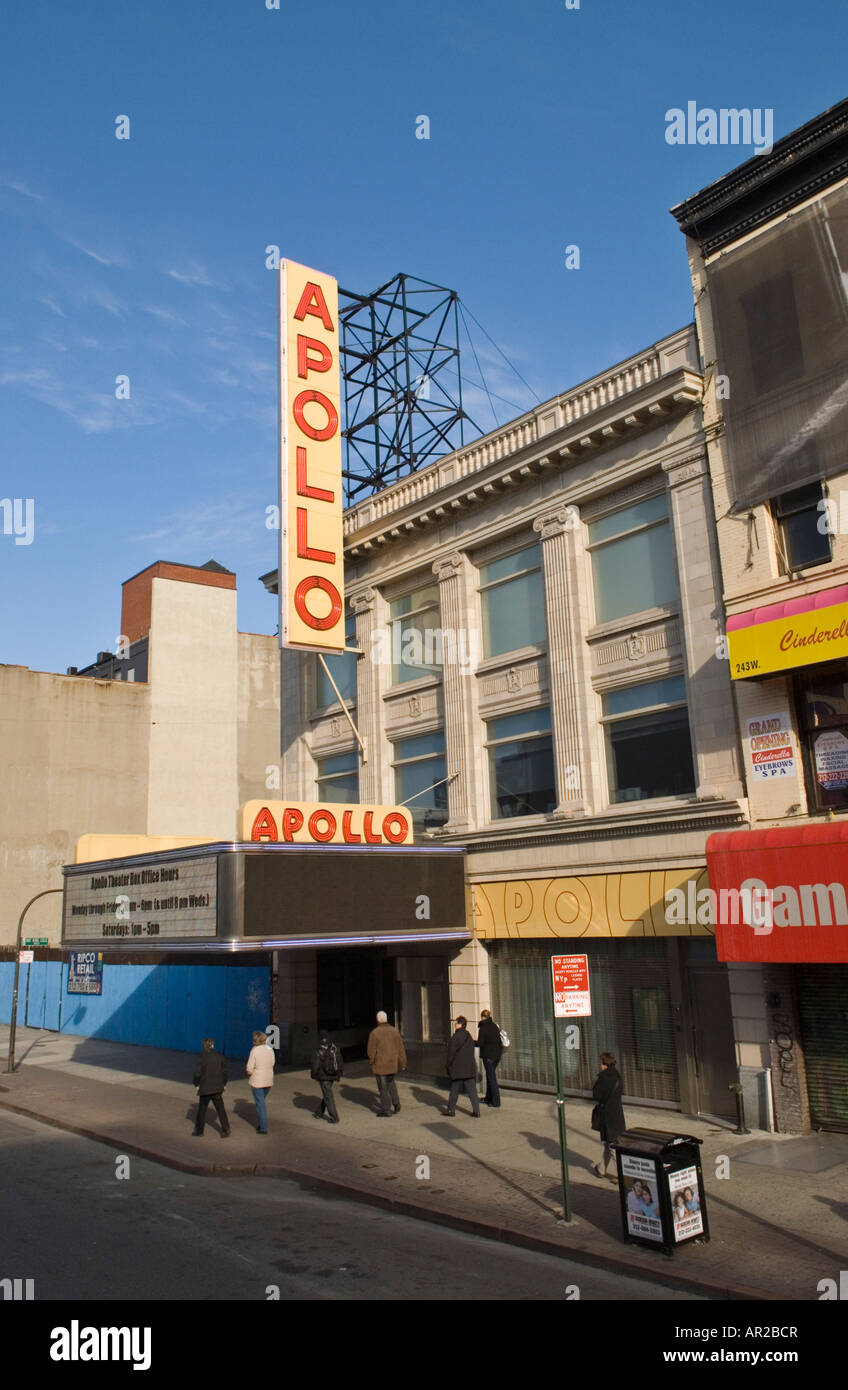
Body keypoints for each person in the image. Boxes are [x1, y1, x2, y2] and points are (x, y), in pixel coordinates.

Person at [591, 1050, 625, 1177]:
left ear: (604, 1063)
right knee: (609, 1143)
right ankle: (601, 1168)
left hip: (607, 1115)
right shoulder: (617, 1075)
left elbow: (596, 1095)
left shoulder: (604, 1077)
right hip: (617, 1113)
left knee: (612, 1146)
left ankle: (622, 1176)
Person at [366, 1010, 407, 1117]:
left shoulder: (374, 1033)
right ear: (386, 1019)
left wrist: (371, 1061)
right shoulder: (394, 1031)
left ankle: (386, 1110)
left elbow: (371, 1051)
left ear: (377, 1020)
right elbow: (401, 1048)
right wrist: (403, 1062)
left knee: (383, 1088)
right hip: (391, 1064)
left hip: (380, 1065)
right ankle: (396, 1103)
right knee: (391, 1083)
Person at [441, 1016, 481, 1118]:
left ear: (460, 1024)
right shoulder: (469, 1036)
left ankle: (451, 1110)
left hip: (458, 1069)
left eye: (456, 1023)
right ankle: (477, 1111)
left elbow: (450, 1054)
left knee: (454, 1090)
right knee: (472, 1092)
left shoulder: (455, 1037)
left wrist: (448, 1066)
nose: (455, 1025)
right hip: (468, 1068)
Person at [192, 1037, 230, 1137]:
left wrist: (196, 1084)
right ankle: (226, 1130)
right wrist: (224, 1084)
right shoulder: (220, 1056)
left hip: (205, 1088)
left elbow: (197, 1073)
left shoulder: (202, 1057)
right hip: (217, 1087)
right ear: (212, 1045)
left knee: (202, 1110)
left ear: (203, 1046)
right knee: (221, 1109)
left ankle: (199, 1131)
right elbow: (224, 1072)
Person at [246, 1029, 275, 1134]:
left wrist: (250, 1073)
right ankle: (262, 1124)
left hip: (257, 1081)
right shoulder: (270, 1049)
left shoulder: (254, 1050)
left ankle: (263, 1127)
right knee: (261, 1102)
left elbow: (249, 1067)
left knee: (260, 1105)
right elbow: (272, 1063)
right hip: (268, 1080)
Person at [311, 1029, 343, 1123]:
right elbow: (340, 1061)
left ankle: (334, 1117)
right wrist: (339, 1073)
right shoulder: (334, 1047)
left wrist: (314, 1075)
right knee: (327, 1094)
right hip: (333, 1075)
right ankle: (319, 1112)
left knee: (328, 1096)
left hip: (323, 1076)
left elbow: (315, 1065)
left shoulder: (318, 1049)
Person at [476, 1008, 503, 1108]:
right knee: (490, 1076)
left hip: (488, 1056)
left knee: (491, 1078)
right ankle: (488, 1098)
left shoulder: (483, 1028)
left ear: (482, 1017)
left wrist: (473, 1043)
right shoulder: (494, 1026)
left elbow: (480, 1043)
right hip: (496, 1056)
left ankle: (496, 1102)